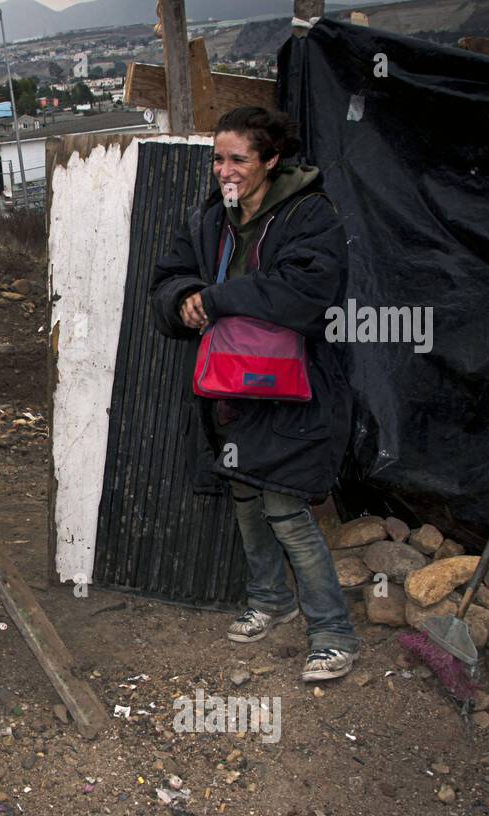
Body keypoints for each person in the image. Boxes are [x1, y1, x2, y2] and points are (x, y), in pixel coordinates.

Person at [149, 106, 360, 683]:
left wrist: (217, 299)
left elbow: (306, 290)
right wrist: (184, 297)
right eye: (217, 158)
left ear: (270, 160)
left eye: (237, 158)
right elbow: (165, 279)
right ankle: (271, 600)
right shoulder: (208, 219)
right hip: (229, 386)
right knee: (245, 492)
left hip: (297, 387)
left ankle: (333, 633)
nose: (224, 169)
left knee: (285, 506)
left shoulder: (309, 214)